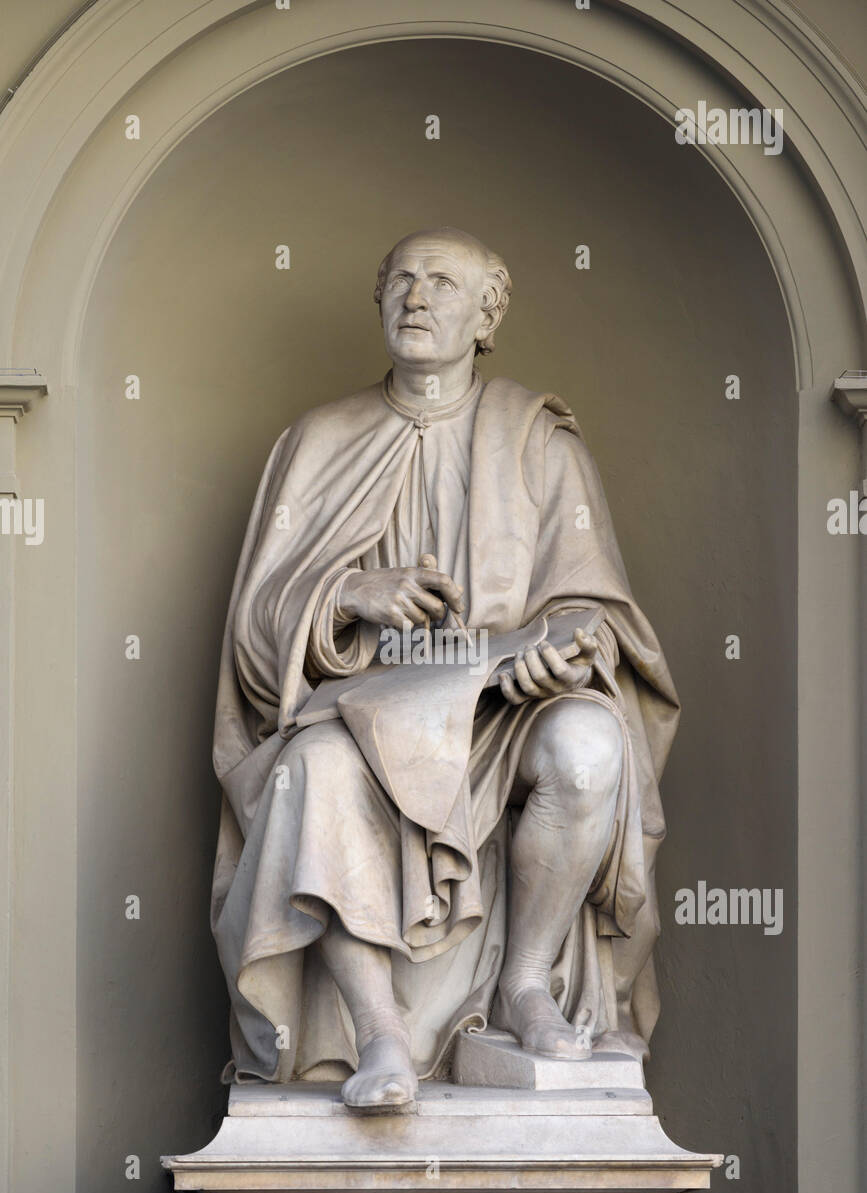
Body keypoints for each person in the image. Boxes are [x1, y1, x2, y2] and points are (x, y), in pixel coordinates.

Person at [211, 227, 679, 1110]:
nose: (416, 297)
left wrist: (562, 650)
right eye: (400, 280)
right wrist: (349, 592)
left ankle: (526, 984)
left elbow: (593, 604)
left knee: (587, 748)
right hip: (361, 707)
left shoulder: (537, 441)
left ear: (486, 314)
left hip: (499, 707)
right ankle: (378, 1034)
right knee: (309, 769)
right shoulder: (319, 439)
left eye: (441, 282)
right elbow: (252, 632)